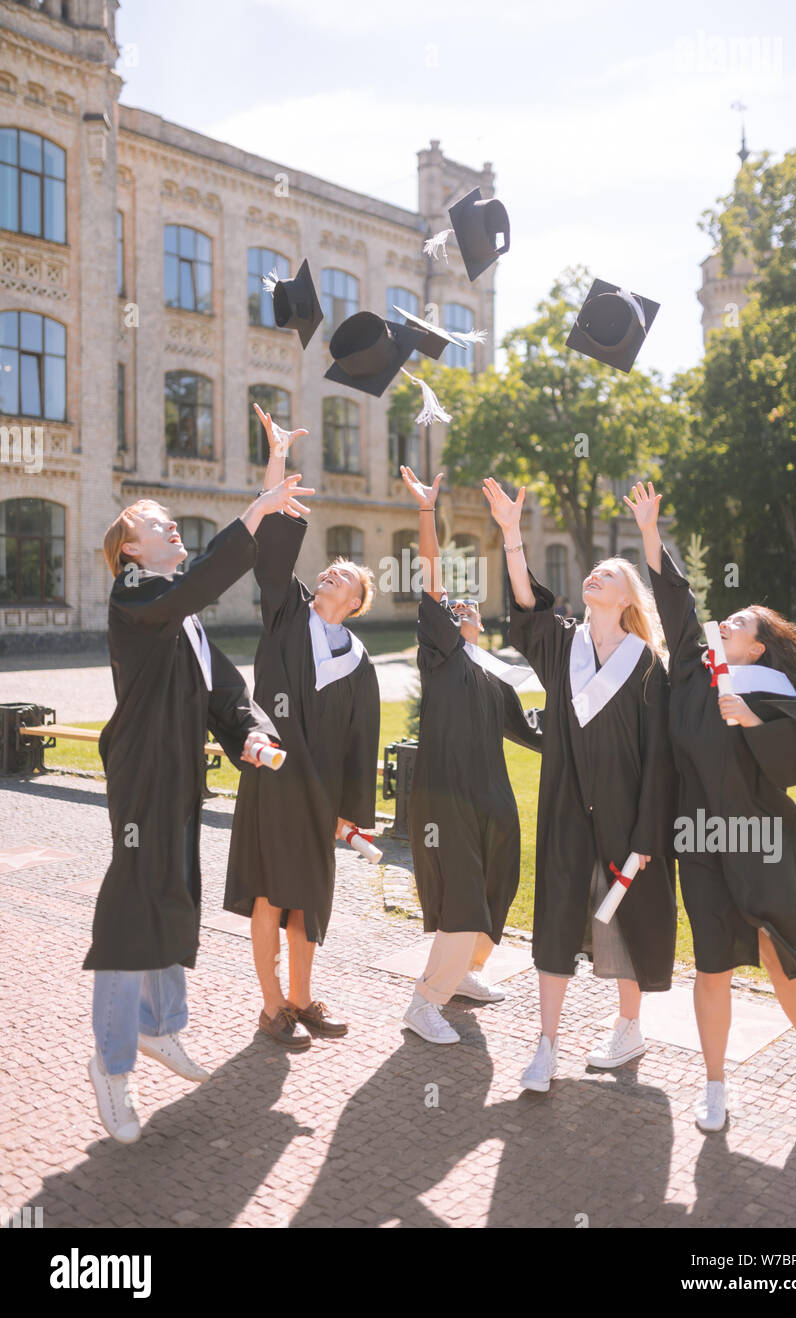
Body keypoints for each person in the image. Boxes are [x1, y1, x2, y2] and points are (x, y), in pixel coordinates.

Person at [87, 474, 313, 1144]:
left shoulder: (181, 615)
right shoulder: (134, 595)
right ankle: (111, 1062)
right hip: (143, 777)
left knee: (175, 894)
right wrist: (254, 515)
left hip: (181, 778)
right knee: (135, 908)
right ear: (130, 550)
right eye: (155, 523)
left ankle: (159, 1029)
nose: (170, 525)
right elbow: (200, 582)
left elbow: (226, 695)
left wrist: (253, 737)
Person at [624, 480, 796, 1129]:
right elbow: (676, 600)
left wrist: (752, 722)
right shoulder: (692, 671)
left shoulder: (773, 695)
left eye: (738, 622)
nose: (725, 623)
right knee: (712, 960)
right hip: (701, 841)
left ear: (758, 647)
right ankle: (714, 1085)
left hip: (764, 838)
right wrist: (650, 532)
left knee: (780, 953)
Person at [483, 477, 677, 1092]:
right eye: (592, 571)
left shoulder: (647, 666)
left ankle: (628, 1026)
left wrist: (648, 833)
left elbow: (659, 757)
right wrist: (512, 535)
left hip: (626, 812)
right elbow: (527, 606)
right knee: (558, 916)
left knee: (623, 921)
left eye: (609, 575)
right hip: (566, 805)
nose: (594, 576)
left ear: (628, 599)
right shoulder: (562, 643)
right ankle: (546, 1045)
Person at [224, 405, 380, 1050]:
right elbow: (273, 549)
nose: (329, 572)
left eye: (341, 574)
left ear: (356, 601)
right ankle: (272, 1008)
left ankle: (302, 997)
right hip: (273, 775)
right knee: (270, 895)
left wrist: (352, 814)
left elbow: (359, 744)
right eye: (328, 569)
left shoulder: (359, 660)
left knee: (307, 902)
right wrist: (278, 459)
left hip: (318, 795)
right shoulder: (286, 612)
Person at [399, 467, 543, 1045]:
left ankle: (464, 975)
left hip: (491, 800)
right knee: (461, 895)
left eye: (466, 606)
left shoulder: (491, 674)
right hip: (444, 798)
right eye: (452, 607)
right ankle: (425, 999)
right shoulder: (441, 656)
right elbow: (431, 577)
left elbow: (532, 730)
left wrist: (590, 716)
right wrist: (427, 513)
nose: (461, 607)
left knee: (495, 889)